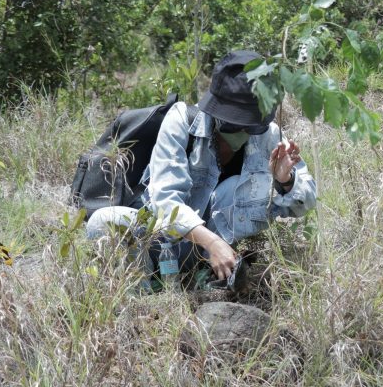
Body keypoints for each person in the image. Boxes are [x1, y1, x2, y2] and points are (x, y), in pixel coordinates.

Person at [86, 50, 317, 284]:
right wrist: (212, 242)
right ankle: (144, 295)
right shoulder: (181, 121)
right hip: (157, 240)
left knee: (235, 186)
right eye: (238, 121)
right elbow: (166, 203)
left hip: (206, 256)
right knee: (102, 220)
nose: (243, 130)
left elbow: (306, 201)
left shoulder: (269, 136)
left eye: (249, 123)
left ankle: (202, 278)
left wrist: (285, 181)